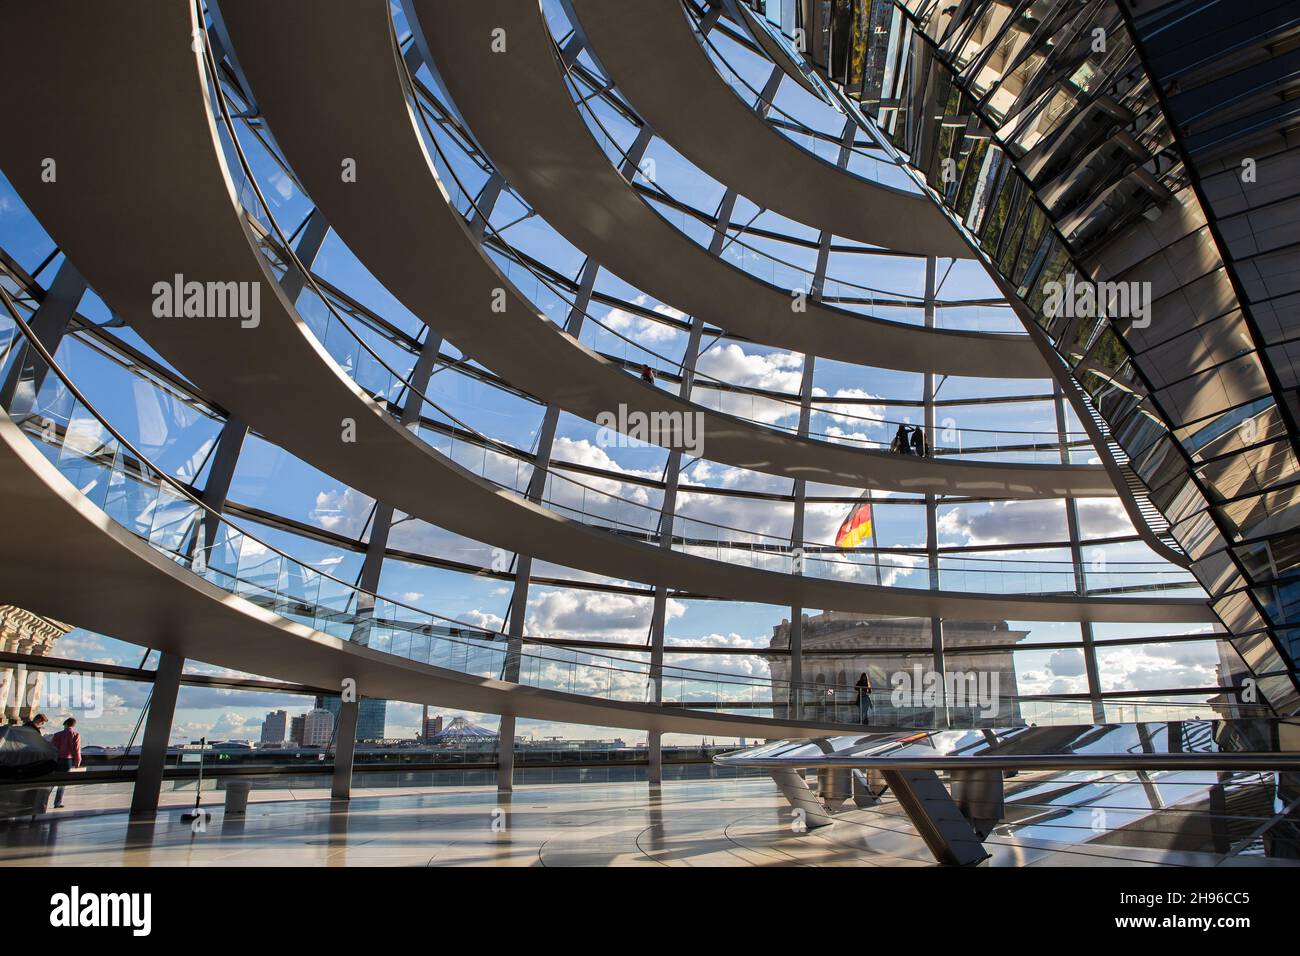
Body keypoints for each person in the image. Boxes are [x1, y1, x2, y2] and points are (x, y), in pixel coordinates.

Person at [51, 717, 81, 809]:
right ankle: (57, 802)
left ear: (66, 724)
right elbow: (76, 750)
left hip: (56, 760)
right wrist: (77, 762)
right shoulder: (76, 735)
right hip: (67, 760)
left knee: (50, 782)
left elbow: (53, 748)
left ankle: (42, 801)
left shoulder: (57, 735)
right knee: (62, 782)